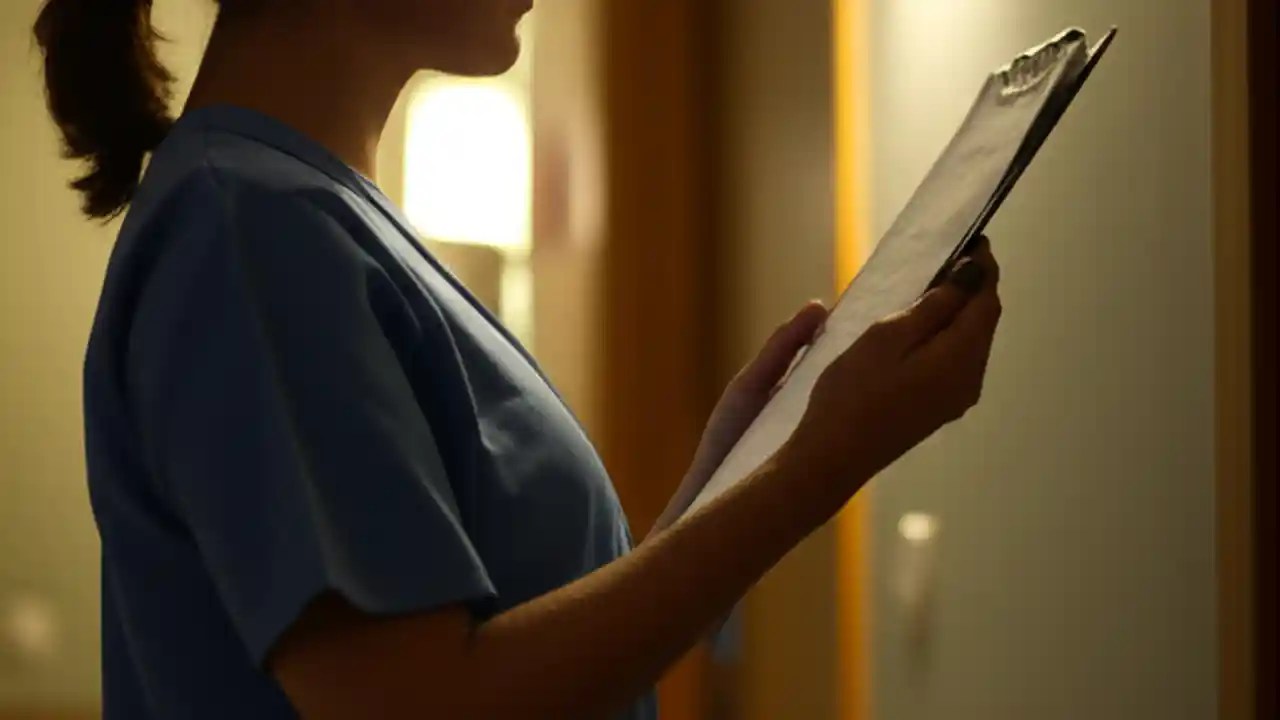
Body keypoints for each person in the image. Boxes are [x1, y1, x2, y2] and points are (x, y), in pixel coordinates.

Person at [33, 0, 1002, 718]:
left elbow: (506, 653)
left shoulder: (304, 218)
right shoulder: (253, 233)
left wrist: (731, 482)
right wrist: (813, 467)